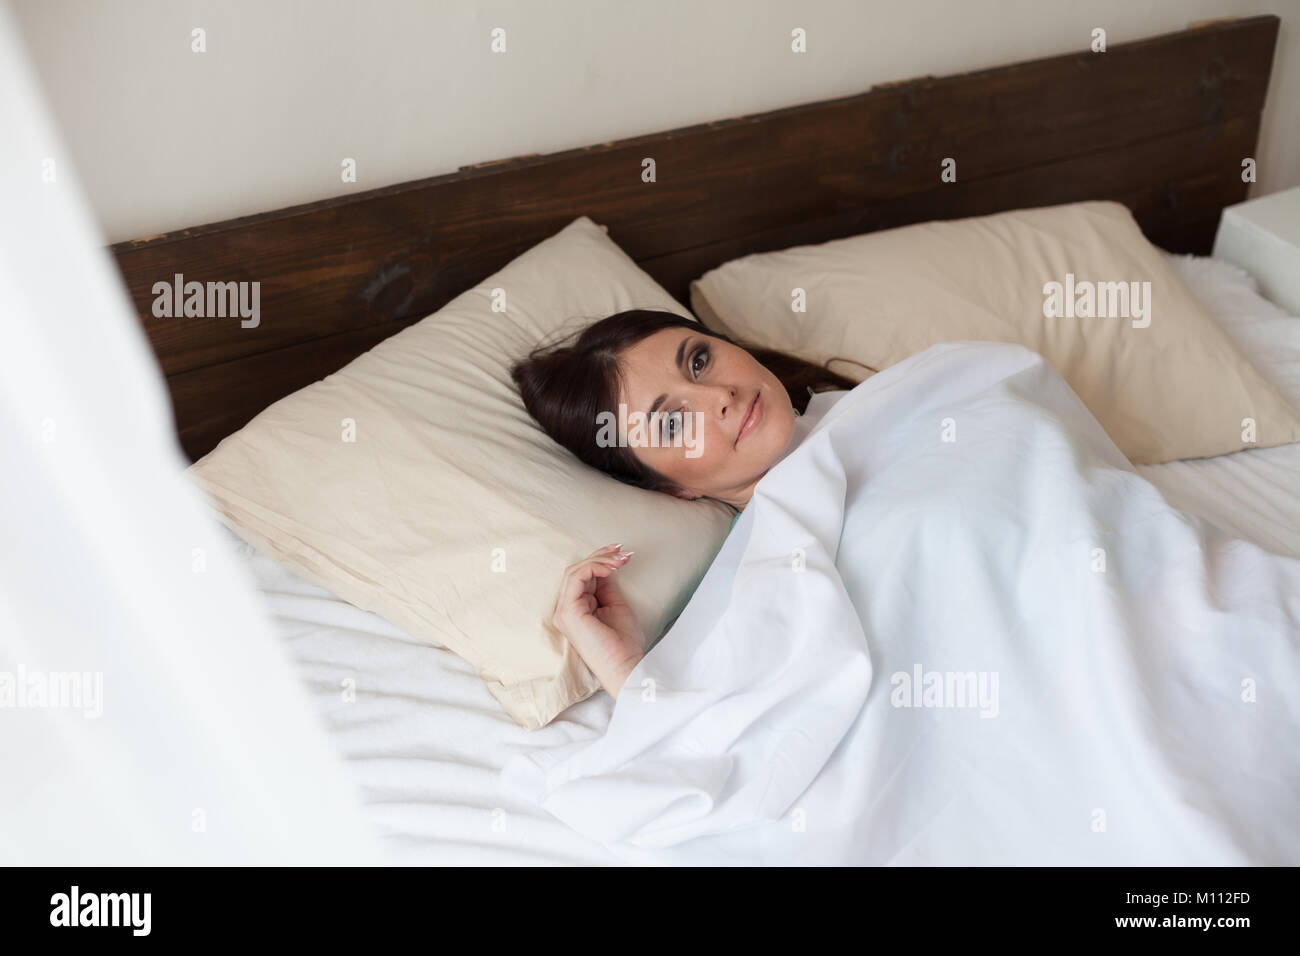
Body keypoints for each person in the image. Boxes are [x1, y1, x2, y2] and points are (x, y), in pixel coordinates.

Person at [511, 309, 861, 698]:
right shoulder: (761, 571)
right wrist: (623, 670)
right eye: (673, 424)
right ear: (671, 488)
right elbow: (750, 739)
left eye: (699, 361)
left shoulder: (881, 396)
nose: (718, 396)